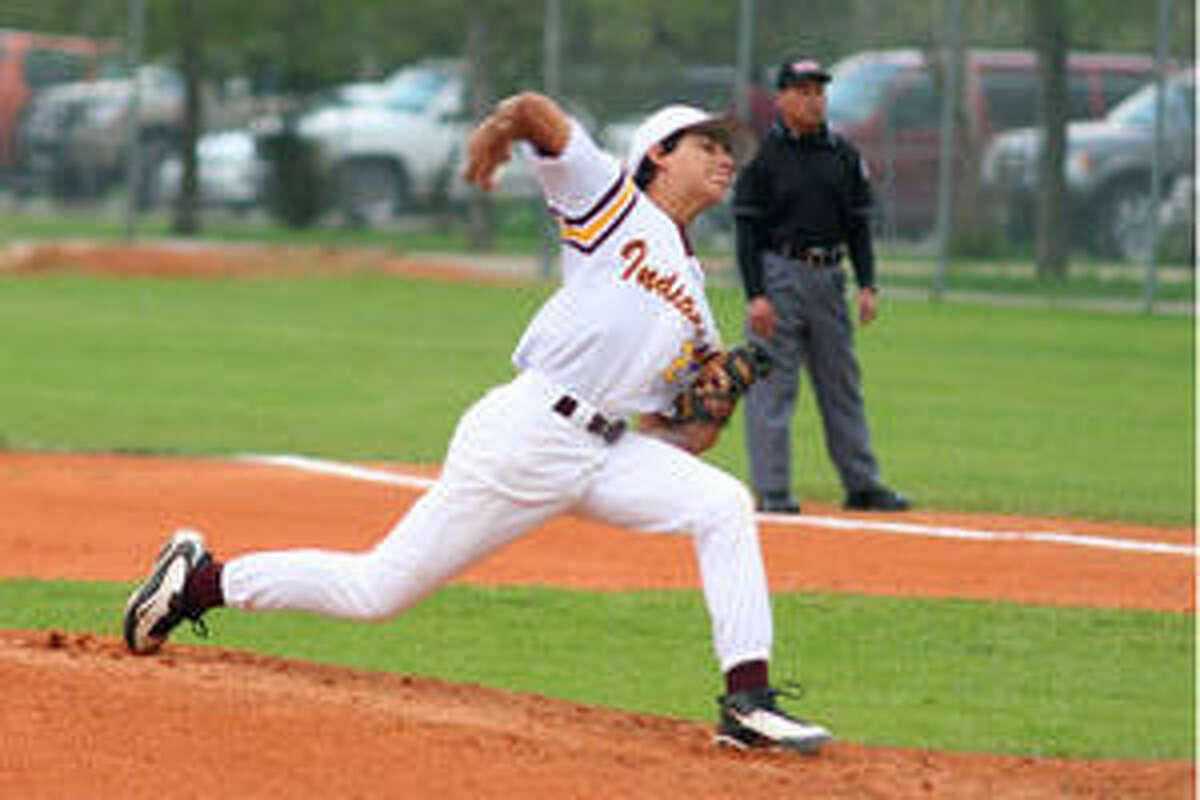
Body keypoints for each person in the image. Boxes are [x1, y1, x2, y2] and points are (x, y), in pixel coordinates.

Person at [122, 91, 833, 753]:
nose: (723, 156)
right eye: (704, 143)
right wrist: (497, 133)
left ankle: (747, 704)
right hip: (529, 434)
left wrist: (723, 394)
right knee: (377, 592)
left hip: (606, 451)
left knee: (721, 504)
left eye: (727, 146)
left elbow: (684, 437)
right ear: (656, 155)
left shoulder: (698, 305)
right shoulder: (615, 207)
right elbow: (536, 114)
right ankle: (200, 582)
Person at [733, 58, 910, 514]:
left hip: (831, 277)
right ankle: (772, 492)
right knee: (772, 387)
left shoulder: (843, 154)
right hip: (779, 274)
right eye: (803, 91)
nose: (814, 100)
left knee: (842, 384)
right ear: (782, 98)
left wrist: (867, 283)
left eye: (819, 91)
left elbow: (858, 225)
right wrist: (755, 295)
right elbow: (747, 230)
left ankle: (862, 484)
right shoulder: (762, 156)